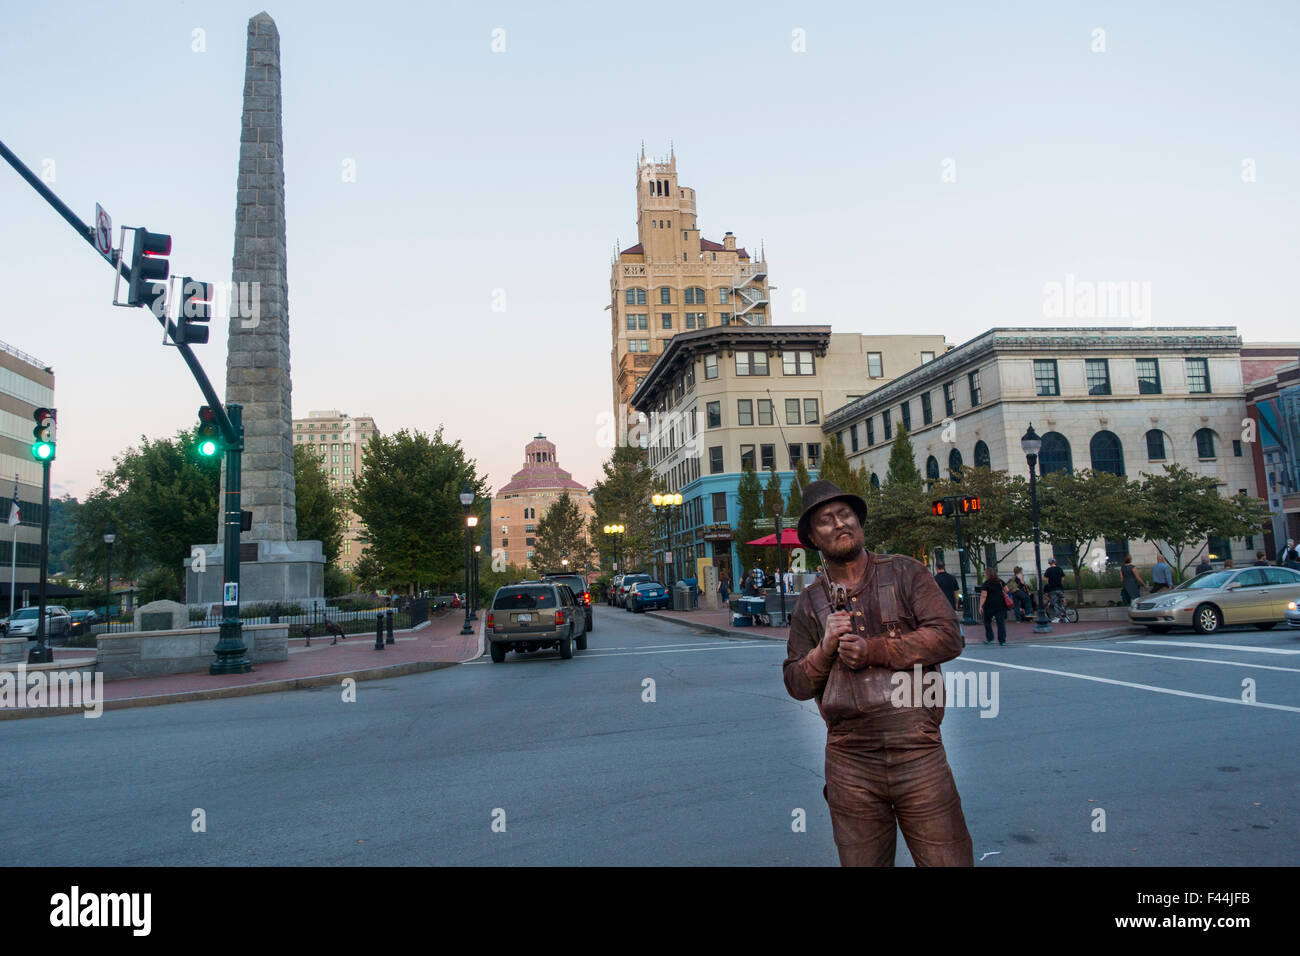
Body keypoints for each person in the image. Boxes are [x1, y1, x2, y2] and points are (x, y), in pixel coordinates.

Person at [782, 480, 973, 867]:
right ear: (812, 539)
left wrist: (875, 650)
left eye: (845, 514)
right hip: (850, 758)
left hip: (917, 749)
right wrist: (825, 649)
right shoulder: (810, 601)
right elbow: (796, 683)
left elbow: (949, 638)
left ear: (859, 521)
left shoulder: (905, 572)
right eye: (825, 520)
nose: (838, 524)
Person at [932, 560, 963, 645]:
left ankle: (943, 639)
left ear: (936, 567)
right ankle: (961, 636)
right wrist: (956, 603)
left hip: (940, 605)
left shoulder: (934, 579)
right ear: (944, 566)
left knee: (941, 623)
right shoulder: (952, 578)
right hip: (951, 603)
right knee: (955, 621)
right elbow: (956, 592)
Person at [978, 567, 1008, 646]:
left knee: (987, 622)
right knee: (1000, 623)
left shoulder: (986, 583)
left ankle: (990, 639)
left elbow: (984, 595)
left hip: (989, 605)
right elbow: (1007, 590)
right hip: (1000, 605)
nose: (984, 574)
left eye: (985, 573)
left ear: (988, 574)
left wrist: (980, 606)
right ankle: (1002, 641)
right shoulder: (1000, 581)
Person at [1043, 558, 1066, 622]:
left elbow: (1044, 579)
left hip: (1052, 589)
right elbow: (1063, 579)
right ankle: (1065, 616)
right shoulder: (1059, 569)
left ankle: (1057, 617)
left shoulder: (1049, 570)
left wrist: (1048, 581)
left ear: (1049, 563)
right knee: (1061, 602)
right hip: (1060, 588)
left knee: (1055, 603)